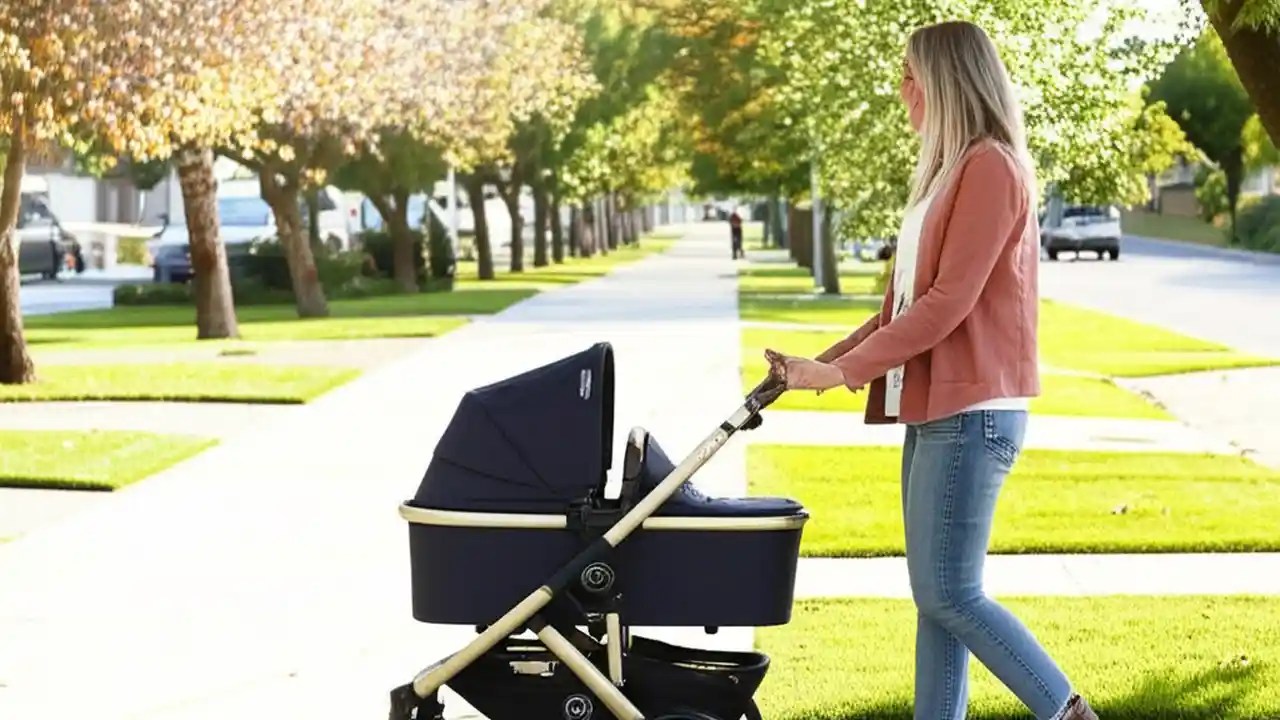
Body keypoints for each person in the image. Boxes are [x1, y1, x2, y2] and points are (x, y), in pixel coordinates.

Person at [762, 21, 1098, 720]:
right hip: (938, 415)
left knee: (951, 595)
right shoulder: (949, 173)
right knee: (937, 598)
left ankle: (1065, 710)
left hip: (973, 416)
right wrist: (815, 367)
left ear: (944, 84)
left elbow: (949, 304)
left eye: (910, 77)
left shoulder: (991, 167)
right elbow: (903, 308)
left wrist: (840, 374)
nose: (901, 92)